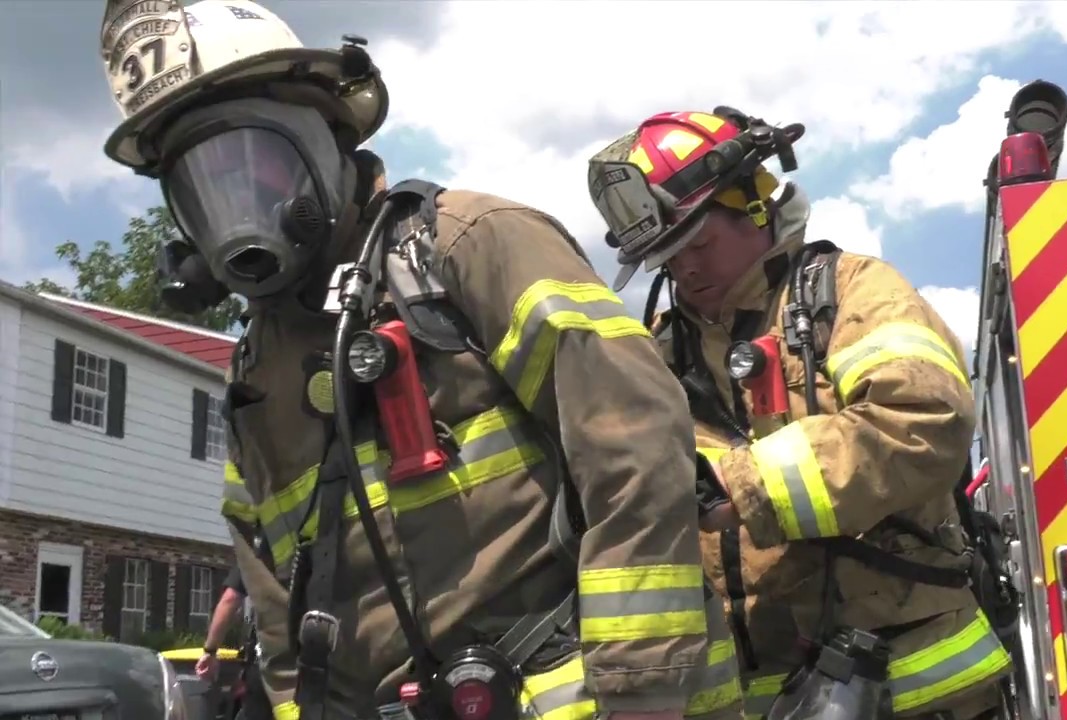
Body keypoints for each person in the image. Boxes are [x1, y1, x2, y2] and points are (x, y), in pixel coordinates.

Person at [97, 3, 742, 720]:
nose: (238, 208)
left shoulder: (471, 246)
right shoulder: (256, 369)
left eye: (256, 166)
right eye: (204, 186)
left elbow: (638, 448)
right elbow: (277, 598)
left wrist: (642, 694)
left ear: (323, 140)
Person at [586, 109, 1014, 720]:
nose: (685, 269)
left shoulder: (853, 292)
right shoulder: (656, 351)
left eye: (698, 243)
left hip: (917, 690)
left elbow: (925, 418)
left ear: (755, 206)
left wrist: (740, 484)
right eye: (666, 258)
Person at [197, 566, 273, 720]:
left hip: (267, 664)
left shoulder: (258, 552)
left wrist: (210, 652)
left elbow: (230, 599)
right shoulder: (323, 547)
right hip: (314, 664)